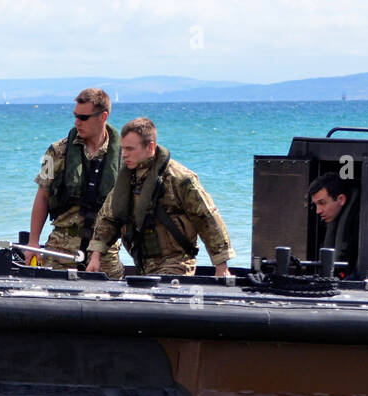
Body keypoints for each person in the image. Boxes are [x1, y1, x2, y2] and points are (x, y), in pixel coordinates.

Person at [85, 117, 234, 277]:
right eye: (123, 149)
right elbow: (108, 219)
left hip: (176, 262)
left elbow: (208, 219)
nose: (124, 155)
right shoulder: (127, 179)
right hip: (143, 263)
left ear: (150, 147)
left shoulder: (178, 179)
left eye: (130, 149)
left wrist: (221, 266)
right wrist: (96, 256)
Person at [27, 88, 124, 279]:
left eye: (83, 117)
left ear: (103, 117)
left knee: (112, 301)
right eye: (75, 116)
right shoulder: (57, 151)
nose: (76, 122)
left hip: (105, 249)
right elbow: (43, 196)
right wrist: (33, 242)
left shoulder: (124, 155)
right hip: (61, 249)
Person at [307, 171, 359, 271]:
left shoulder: (359, 223)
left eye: (322, 203)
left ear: (341, 199)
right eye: (316, 205)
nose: (318, 211)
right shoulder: (327, 220)